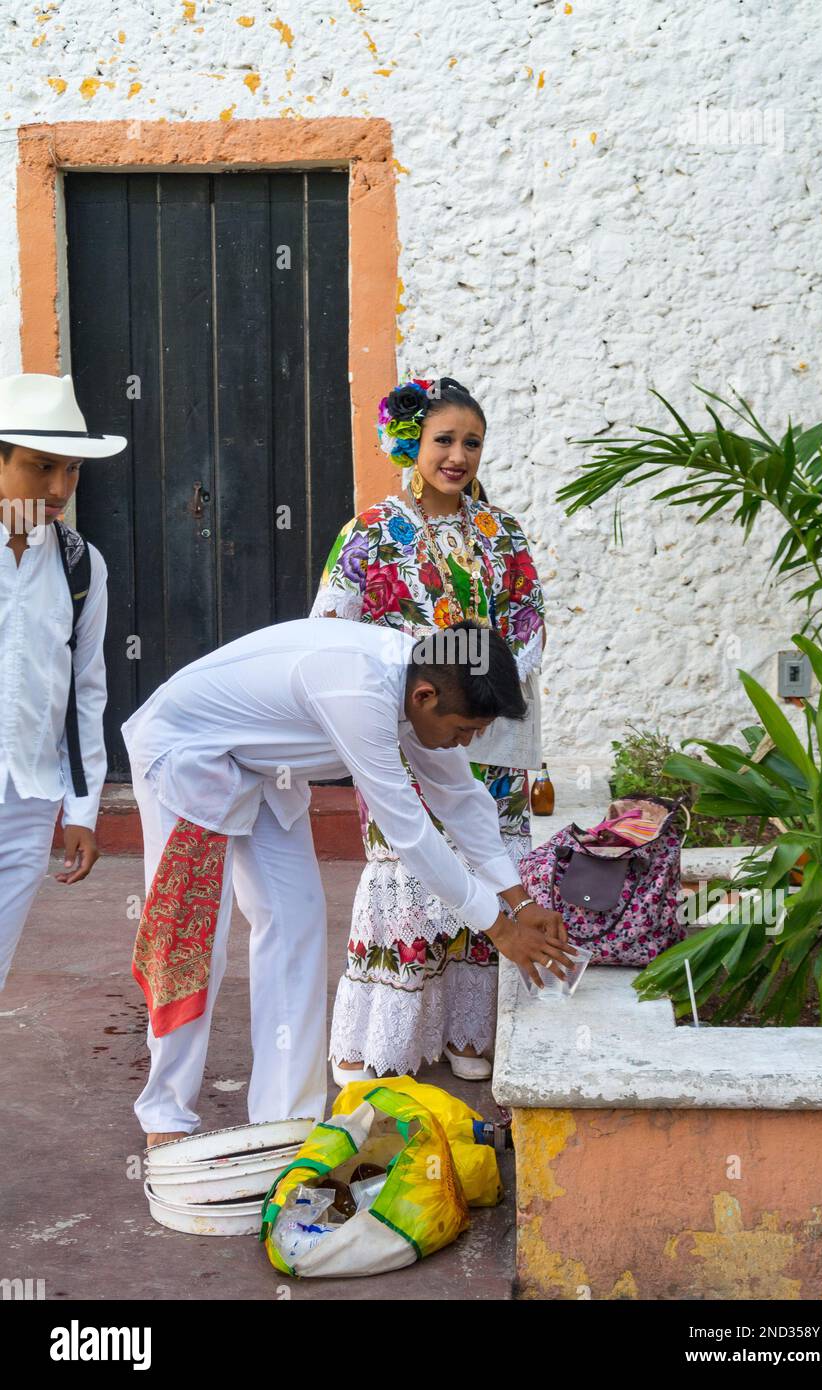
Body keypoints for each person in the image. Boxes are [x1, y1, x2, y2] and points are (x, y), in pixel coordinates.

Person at [120, 617, 571, 1147]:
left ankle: (285, 1123)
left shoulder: (421, 684)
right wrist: (498, 927)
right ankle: (166, 1116)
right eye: (464, 731)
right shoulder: (359, 690)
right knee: (192, 940)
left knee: (297, 923)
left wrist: (518, 901)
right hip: (187, 755)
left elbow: (461, 801)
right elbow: (410, 832)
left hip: (264, 769)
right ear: (425, 697)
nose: (465, 743)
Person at [311, 376, 546, 1083]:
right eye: (444, 440)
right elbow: (330, 626)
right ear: (412, 442)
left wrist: (487, 675)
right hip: (405, 721)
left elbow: (530, 618)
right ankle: (383, 1038)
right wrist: (419, 667)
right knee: (412, 864)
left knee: (484, 857)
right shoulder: (370, 530)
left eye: (471, 442)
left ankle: (469, 1033)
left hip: (487, 733)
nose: (458, 456)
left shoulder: (503, 532)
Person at [0, 373, 125, 992]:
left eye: (72, 470)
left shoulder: (81, 565)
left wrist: (82, 808)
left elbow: (86, 692)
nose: (58, 489)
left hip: (29, 801)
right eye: (40, 466)